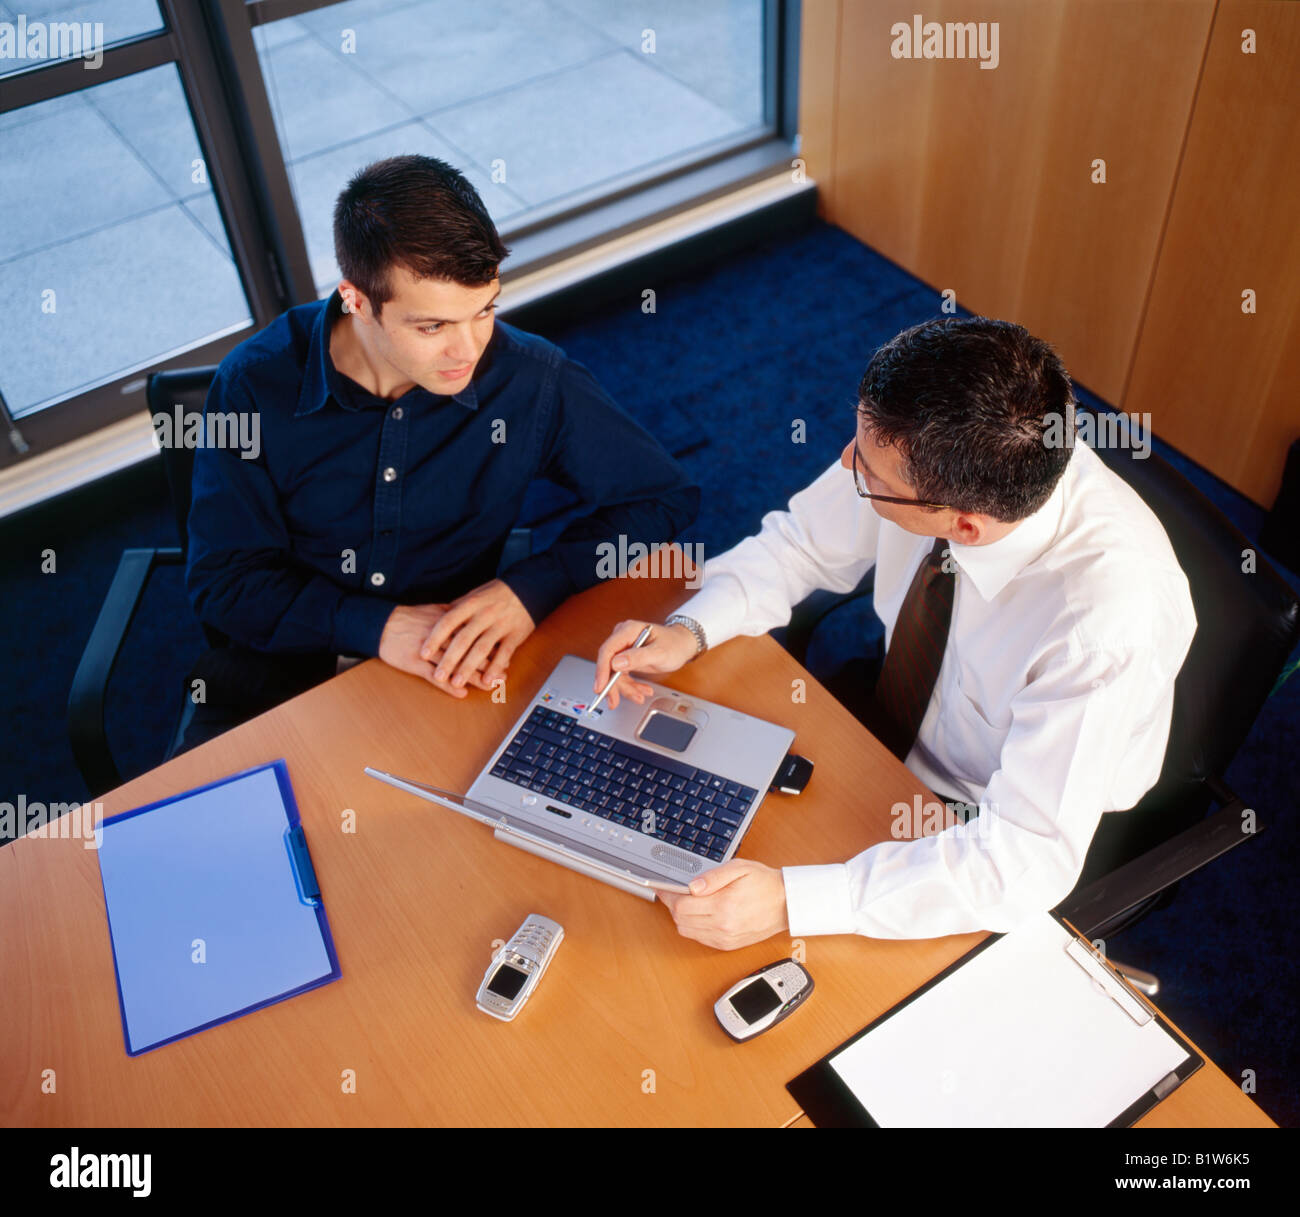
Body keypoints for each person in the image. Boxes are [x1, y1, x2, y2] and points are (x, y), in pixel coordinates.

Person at [592, 317, 1196, 948]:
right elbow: (800, 544)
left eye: (872, 478)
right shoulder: (918, 453)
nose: (848, 465)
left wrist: (793, 902)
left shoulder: (1103, 627)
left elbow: (1022, 858)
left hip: (978, 815)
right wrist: (691, 627)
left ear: (964, 528)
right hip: (887, 724)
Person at [182, 155, 698, 749]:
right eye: (432, 327)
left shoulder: (529, 379)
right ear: (356, 299)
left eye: (484, 311)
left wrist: (532, 586)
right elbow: (223, 584)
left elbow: (662, 498)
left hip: (453, 669)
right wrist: (377, 627)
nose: (469, 349)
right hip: (284, 671)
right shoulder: (251, 385)